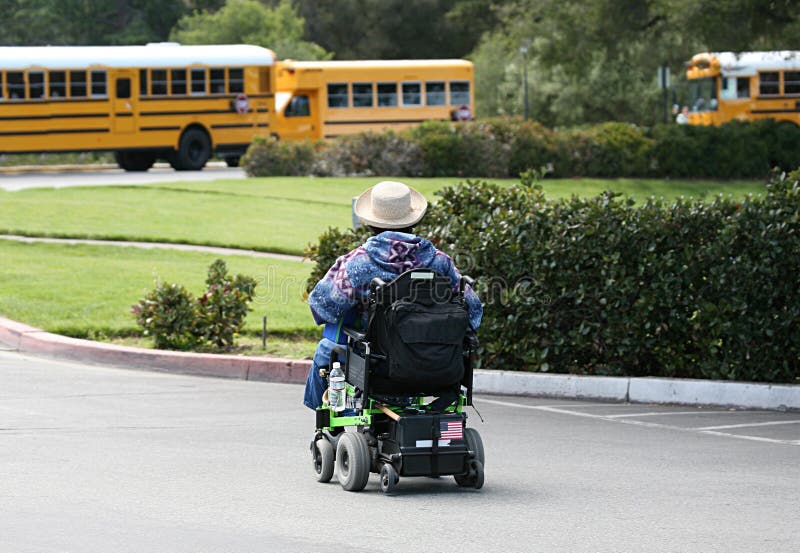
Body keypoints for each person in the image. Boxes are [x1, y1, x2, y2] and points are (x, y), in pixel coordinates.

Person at [303, 181, 483, 410]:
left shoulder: (359, 263)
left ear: (370, 222)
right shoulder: (440, 262)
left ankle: (325, 419)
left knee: (328, 346)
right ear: (413, 220)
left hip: (379, 366)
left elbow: (322, 307)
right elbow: (473, 312)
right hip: (437, 362)